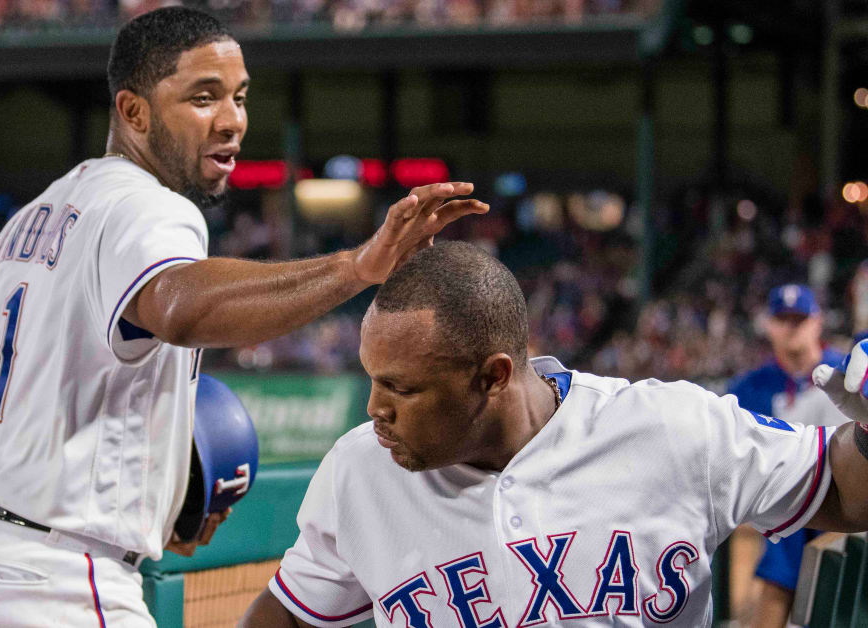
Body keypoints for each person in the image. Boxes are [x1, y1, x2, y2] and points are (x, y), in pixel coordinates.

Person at [0, 7, 487, 627]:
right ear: (134, 113)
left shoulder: (32, 219)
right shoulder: (147, 206)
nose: (232, 120)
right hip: (52, 578)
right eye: (203, 98)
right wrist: (357, 268)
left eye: (239, 97)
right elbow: (178, 306)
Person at [240, 242, 868, 627]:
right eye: (371, 381)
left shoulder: (669, 428)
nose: (375, 408)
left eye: (401, 389)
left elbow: (844, 488)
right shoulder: (360, 469)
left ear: (493, 377)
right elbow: (294, 616)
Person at [727, 284, 849, 628]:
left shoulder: (846, 374)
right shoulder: (747, 388)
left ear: (817, 322)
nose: (793, 326)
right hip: (777, 508)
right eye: (783, 319)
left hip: (843, 496)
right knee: (787, 519)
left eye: (800, 318)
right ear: (769, 325)